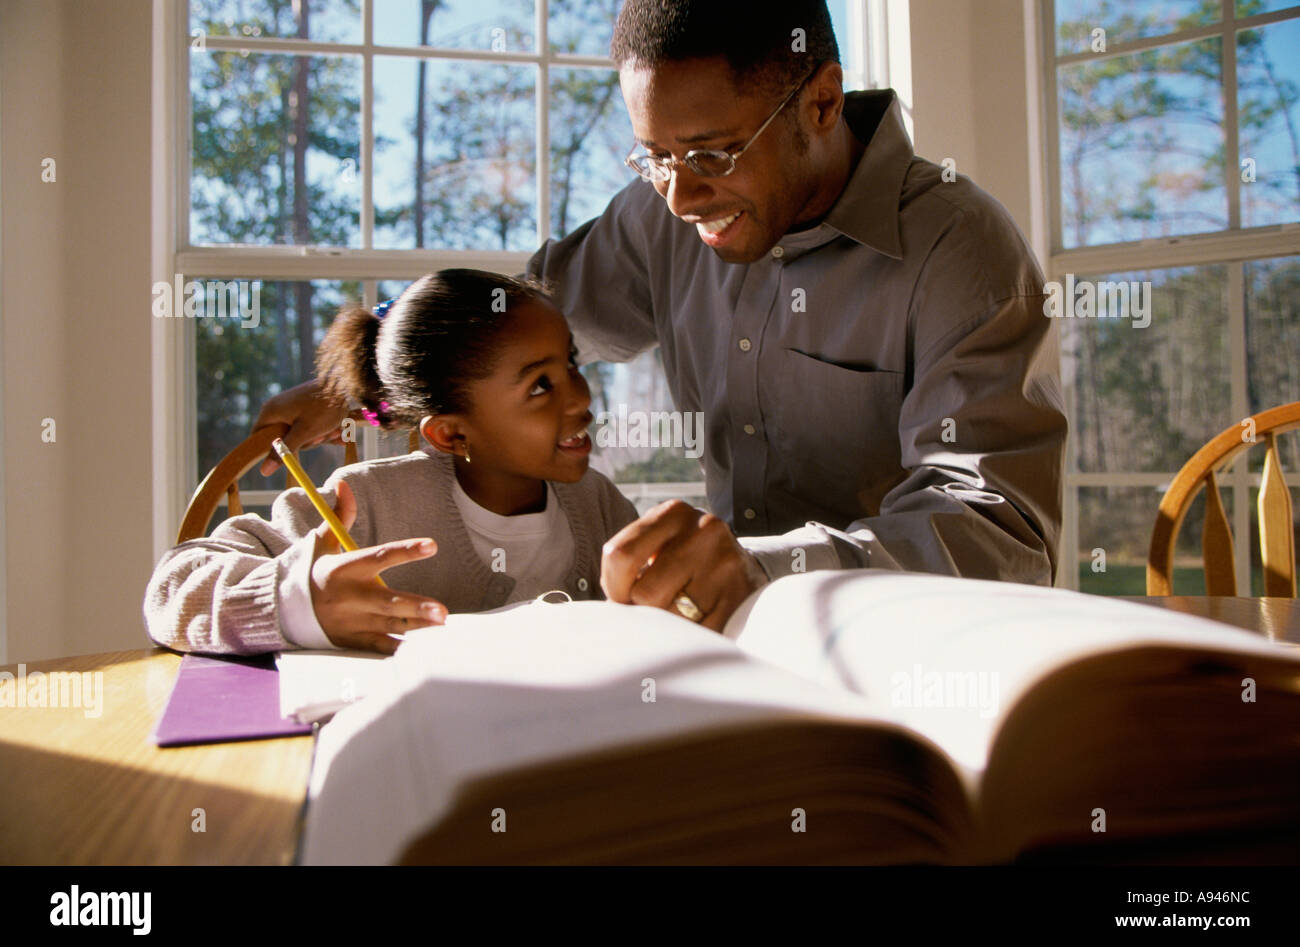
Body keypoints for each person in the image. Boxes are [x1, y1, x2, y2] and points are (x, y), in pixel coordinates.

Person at [251, 0, 1067, 634]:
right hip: (719, 655)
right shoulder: (661, 216)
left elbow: (1003, 536)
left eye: (710, 155)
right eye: (654, 156)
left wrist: (764, 572)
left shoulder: (959, 249)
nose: (678, 196)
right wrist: (366, 377)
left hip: (908, 656)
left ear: (821, 103)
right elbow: (505, 322)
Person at [144, 270, 639, 655]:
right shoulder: (366, 502)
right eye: (540, 386)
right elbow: (172, 589)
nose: (580, 399)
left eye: (572, 364)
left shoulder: (598, 504)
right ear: (450, 434)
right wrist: (297, 599)